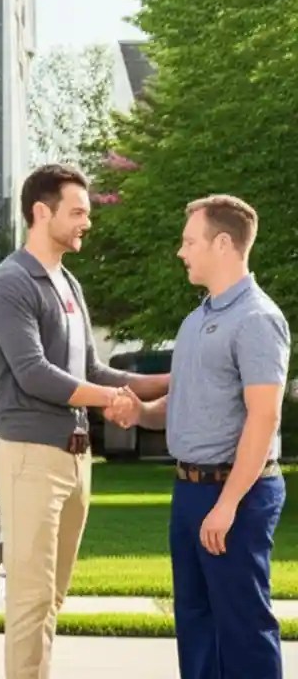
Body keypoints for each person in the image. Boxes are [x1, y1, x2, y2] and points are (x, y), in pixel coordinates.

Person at [0, 163, 170, 679]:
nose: (88, 221)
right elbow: (34, 373)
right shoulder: (10, 283)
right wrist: (114, 400)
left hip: (75, 458)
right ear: (42, 213)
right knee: (30, 599)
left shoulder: (68, 284)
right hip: (29, 460)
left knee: (52, 596)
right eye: (78, 212)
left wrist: (173, 378)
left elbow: (88, 368)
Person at [107, 194, 288, 679]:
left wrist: (227, 505)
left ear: (223, 243)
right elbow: (181, 404)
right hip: (190, 490)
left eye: (190, 241)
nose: (181, 252)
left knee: (243, 628)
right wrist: (139, 412)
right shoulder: (196, 321)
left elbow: (264, 416)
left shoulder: (257, 320)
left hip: (237, 496)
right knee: (195, 624)